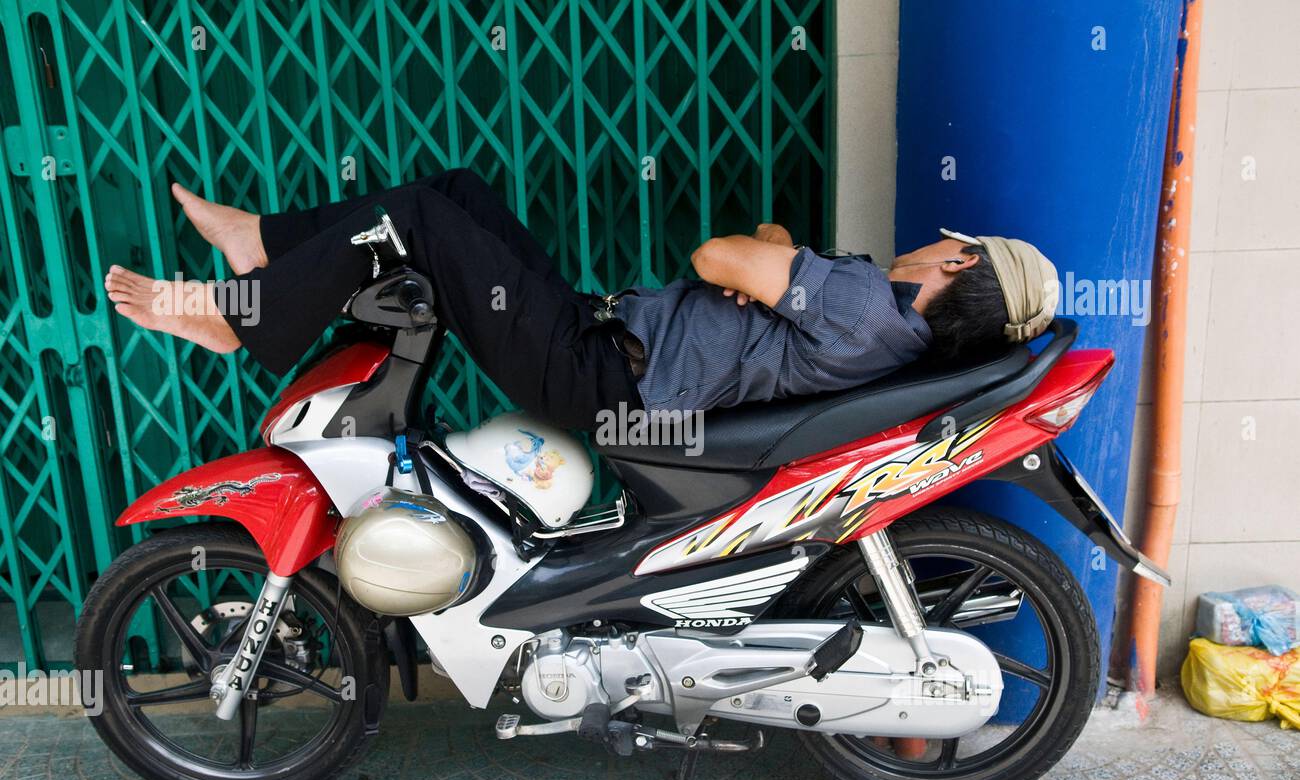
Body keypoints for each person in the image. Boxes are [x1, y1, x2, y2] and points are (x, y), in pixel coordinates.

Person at [104, 168, 1058, 431]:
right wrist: (782, 262)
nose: (939, 236)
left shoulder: (860, 303)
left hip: (605, 380)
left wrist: (778, 250)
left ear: (958, 267)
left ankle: (242, 313)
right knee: (461, 192)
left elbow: (720, 253)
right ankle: (263, 241)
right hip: (610, 348)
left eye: (955, 241)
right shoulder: (882, 324)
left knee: (419, 219)